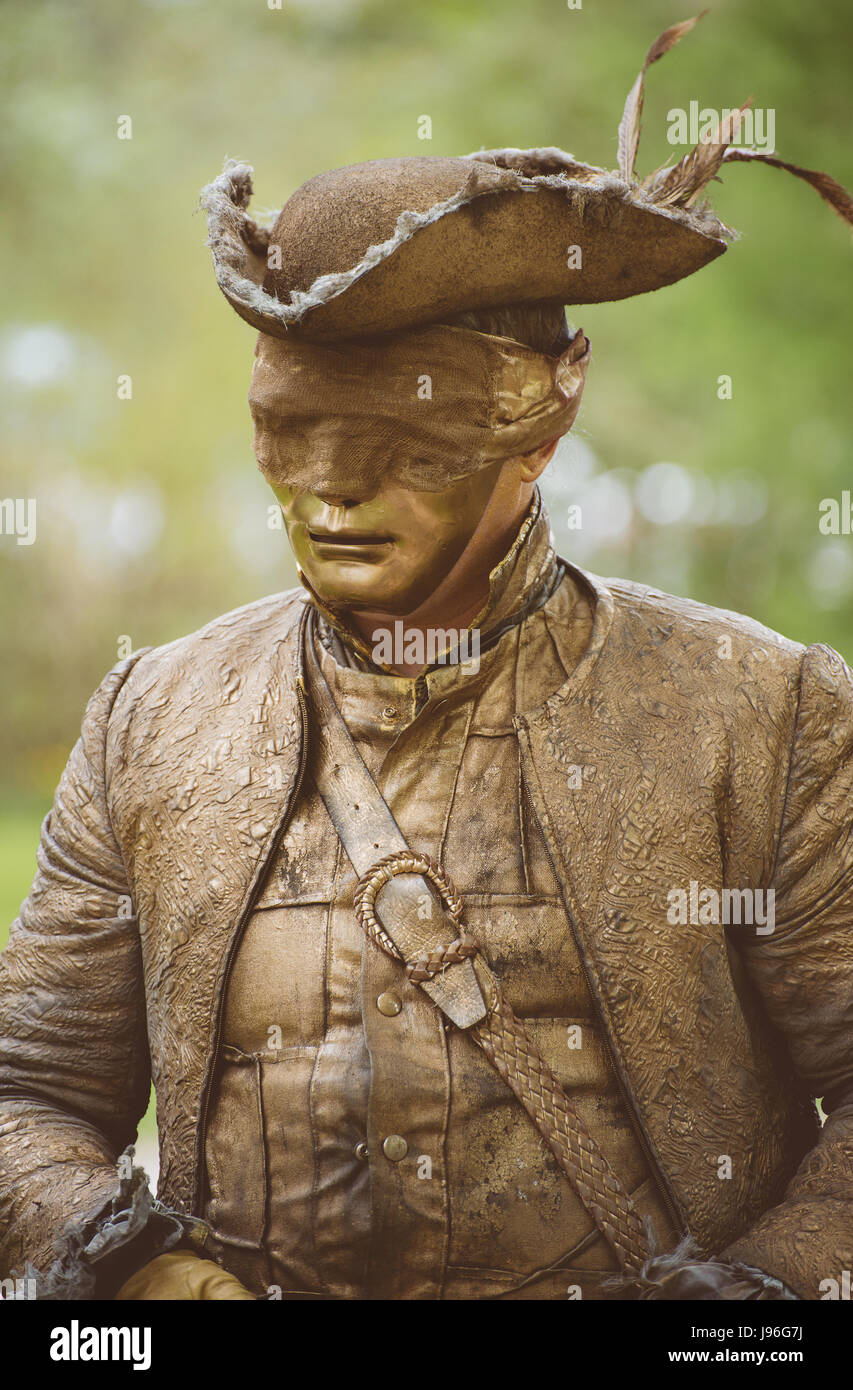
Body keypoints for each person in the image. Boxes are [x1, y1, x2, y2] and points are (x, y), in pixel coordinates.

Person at [1, 17, 851, 1302]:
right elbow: (31, 1091)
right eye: (296, 439)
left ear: (539, 431)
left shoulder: (763, 715)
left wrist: (746, 1309)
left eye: (402, 444)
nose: (331, 497)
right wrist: (141, 1282)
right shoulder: (152, 717)